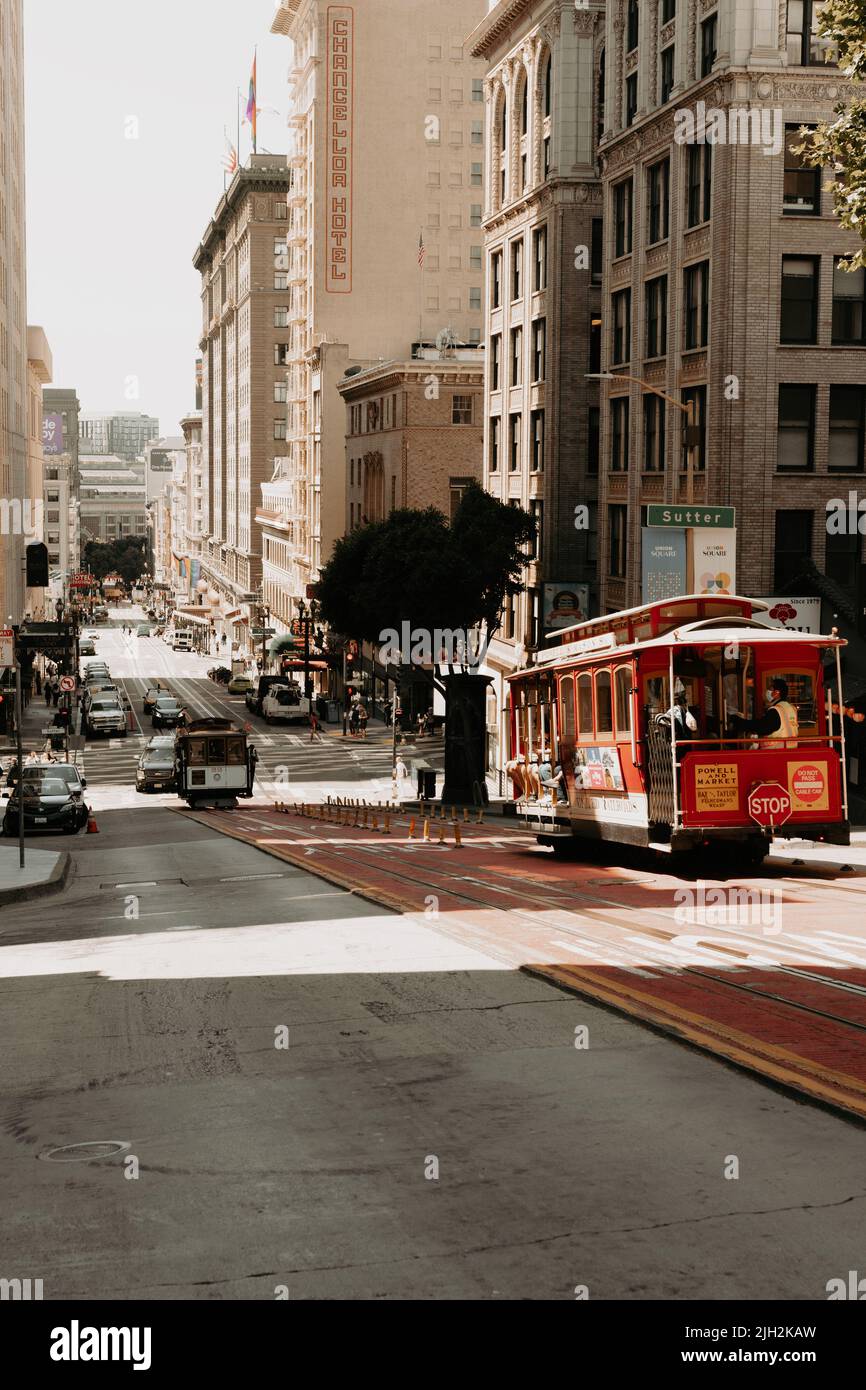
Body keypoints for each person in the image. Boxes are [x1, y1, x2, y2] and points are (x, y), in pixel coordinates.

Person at [729, 678, 799, 749]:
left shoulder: (776, 710)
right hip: (790, 749)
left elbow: (762, 727)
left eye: (770, 689)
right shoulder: (791, 708)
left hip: (776, 752)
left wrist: (740, 722)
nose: (767, 692)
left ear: (776, 693)